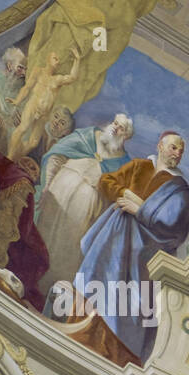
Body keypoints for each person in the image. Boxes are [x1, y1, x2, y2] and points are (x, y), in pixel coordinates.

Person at [73, 131, 189, 365]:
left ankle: (117, 350)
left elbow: (175, 227)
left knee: (132, 306)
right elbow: (106, 181)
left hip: (146, 255)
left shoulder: (179, 189)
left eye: (181, 151)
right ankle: (86, 329)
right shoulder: (139, 166)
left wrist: (141, 210)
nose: (177, 154)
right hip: (115, 242)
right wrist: (124, 193)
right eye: (173, 148)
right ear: (160, 146)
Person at [36, 113, 134, 292]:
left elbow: (118, 200)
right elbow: (57, 155)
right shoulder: (88, 136)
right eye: (114, 123)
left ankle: (49, 291)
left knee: (66, 253)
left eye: (120, 128)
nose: (114, 128)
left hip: (83, 220)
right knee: (42, 238)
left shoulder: (125, 165)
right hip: (55, 200)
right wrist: (47, 184)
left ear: (126, 136)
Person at [6, 47, 81, 162]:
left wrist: (77, 59)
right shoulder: (38, 71)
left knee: (34, 142)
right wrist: (17, 100)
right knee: (23, 128)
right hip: (33, 105)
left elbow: (72, 77)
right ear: (48, 59)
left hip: (44, 114)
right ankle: (10, 156)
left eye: (58, 60)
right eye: (55, 58)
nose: (58, 62)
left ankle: (16, 158)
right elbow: (27, 88)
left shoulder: (57, 79)